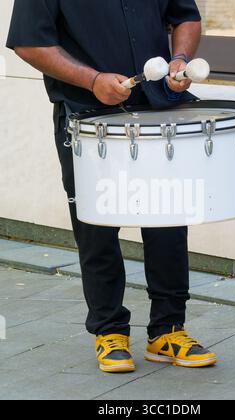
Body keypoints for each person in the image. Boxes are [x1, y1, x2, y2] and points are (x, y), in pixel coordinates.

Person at [6, 0, 217, 373]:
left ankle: (167, 330)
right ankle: (109, 331)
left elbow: (185, 16)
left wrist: (180, 59)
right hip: (88, 116)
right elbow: (28, 41)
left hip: (156, 110)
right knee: (96, 227)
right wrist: (91, 79)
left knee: (168, 221)